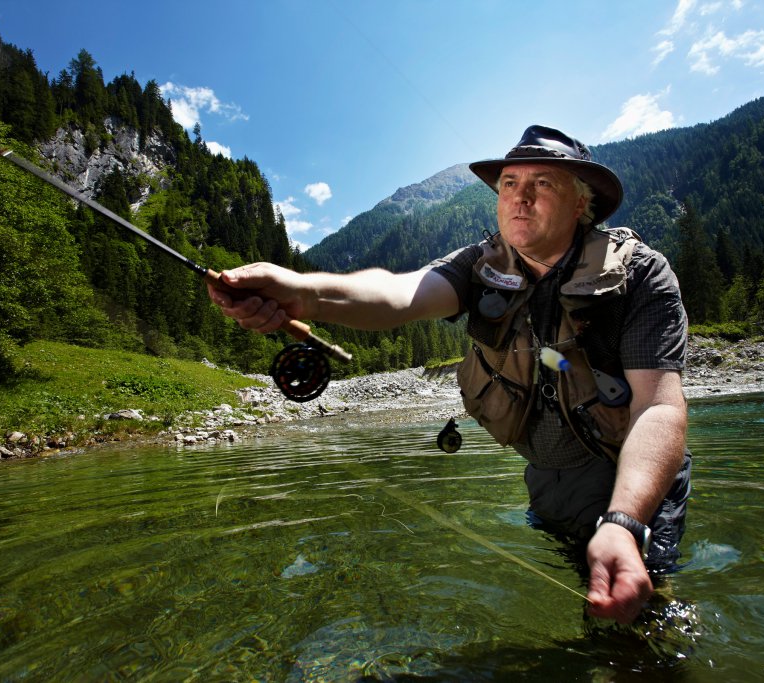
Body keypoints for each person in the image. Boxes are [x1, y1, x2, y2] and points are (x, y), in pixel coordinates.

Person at [207, 126, 692, 624]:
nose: (520, 198)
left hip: (633, 479)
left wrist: (624, 521)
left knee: (641, 623)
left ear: (581, 204)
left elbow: (657, 407)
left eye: (542, 183)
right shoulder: (478, 265)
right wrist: (302, 293)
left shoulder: (641, 274)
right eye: (509, 183)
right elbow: (399, 293)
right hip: (549, 483)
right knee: (592, 605)